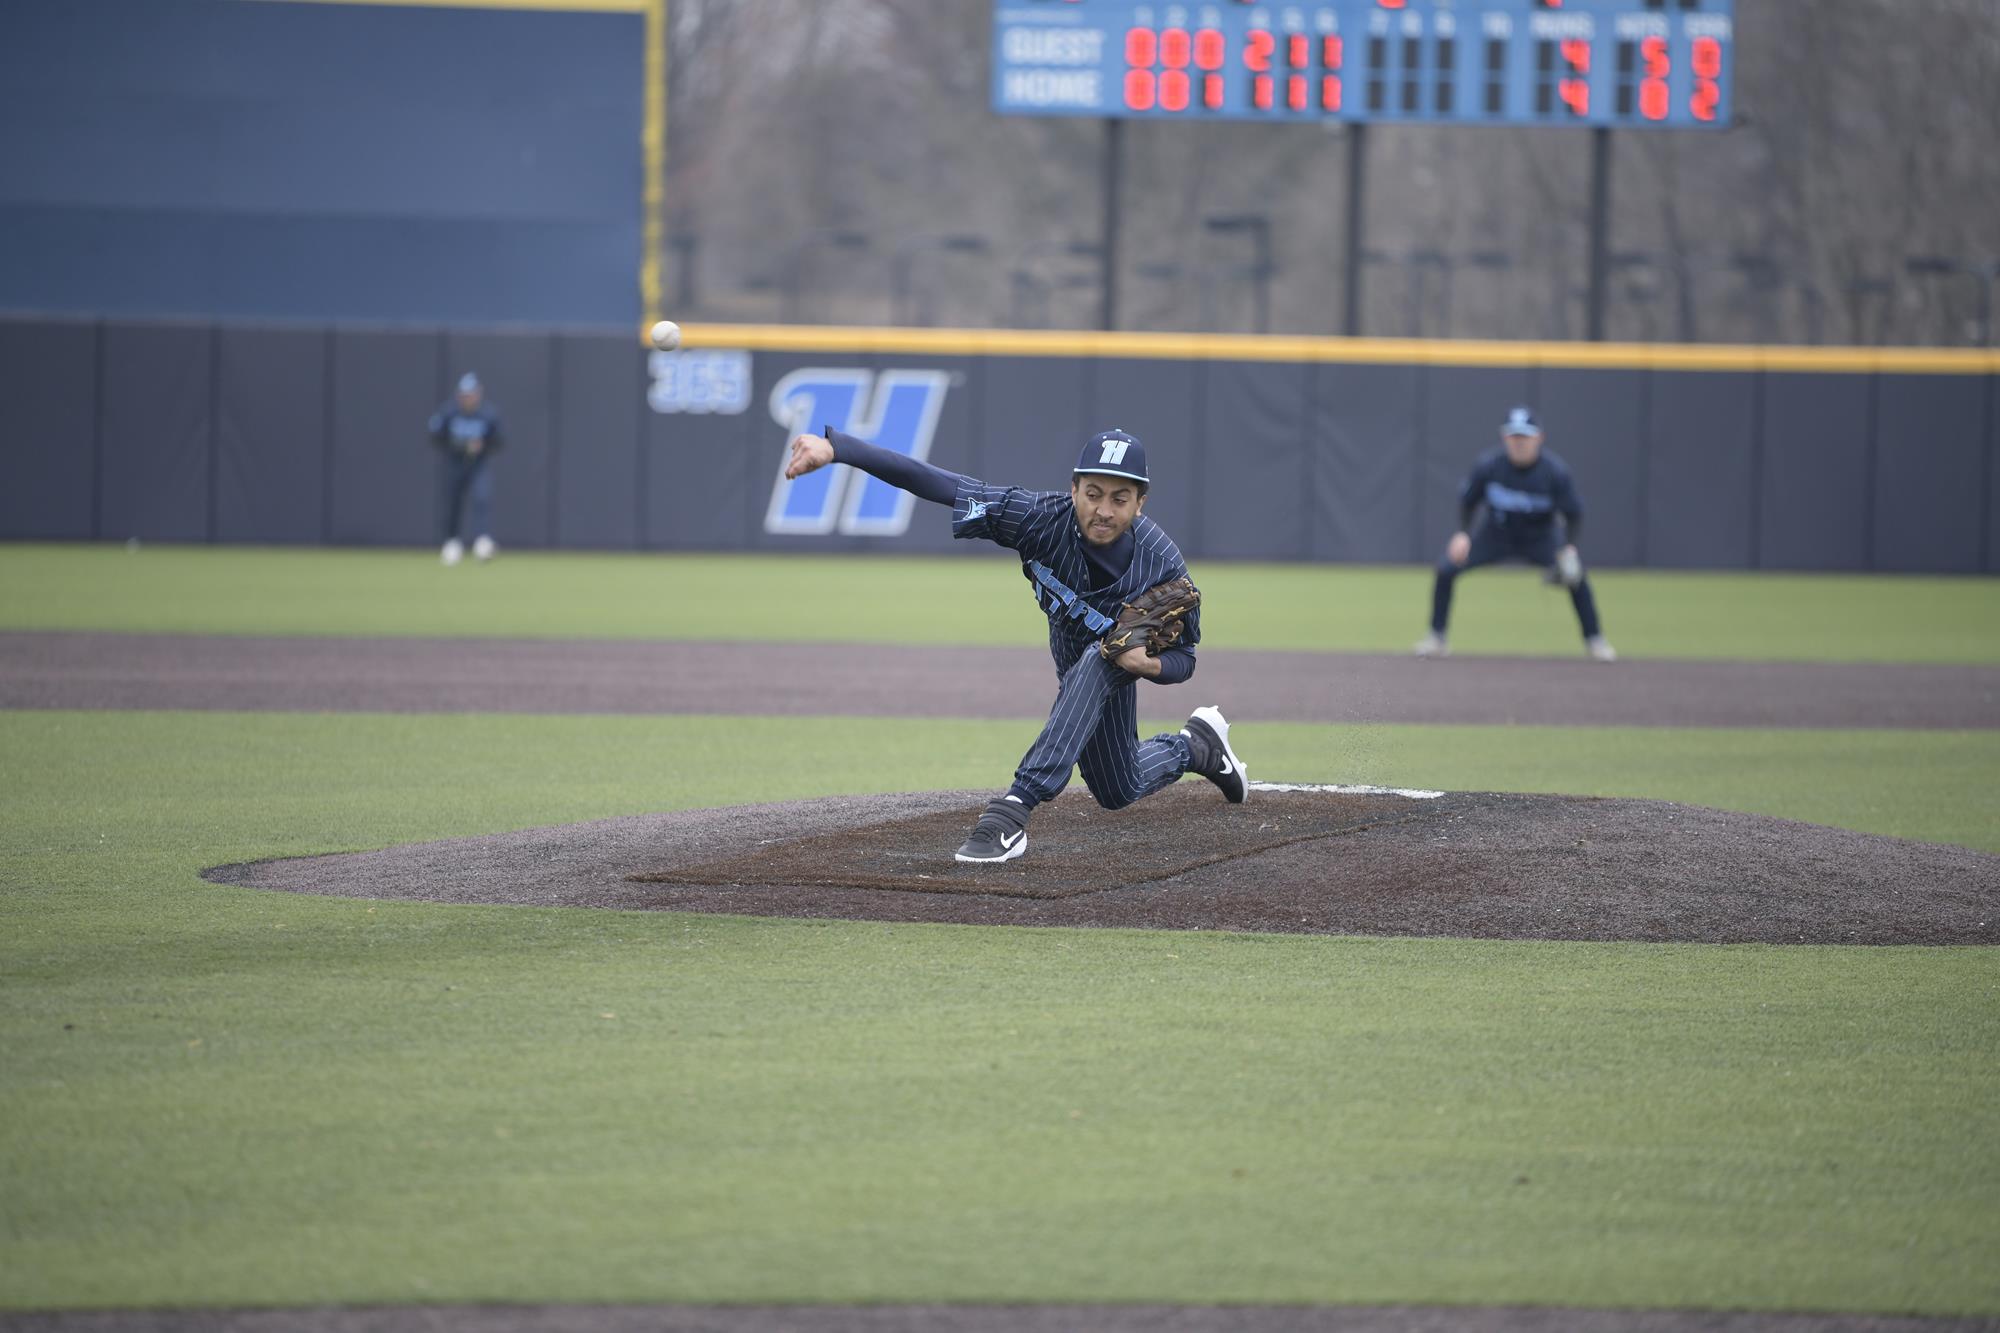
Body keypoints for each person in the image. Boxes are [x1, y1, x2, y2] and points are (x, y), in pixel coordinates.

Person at [783, 425, 1249, 864]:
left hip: (1111, 662)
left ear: (1140, 504)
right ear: (1073, 490)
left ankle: (1013, 809)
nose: (1103, 510)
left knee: (1102, 655)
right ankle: (1196, 746)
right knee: (1116, 788)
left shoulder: (1163, 565)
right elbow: (937, 483)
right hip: (1070, 655)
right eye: (1093, 494)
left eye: (1119, 498)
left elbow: (1185, 659)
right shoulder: (1036, 519)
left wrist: (1148, 666)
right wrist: (840, 449)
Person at [1416, 406, 1616, 662]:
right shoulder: (1489, 466)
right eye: (1514, 437)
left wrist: (1569, 546)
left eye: (1525, 437)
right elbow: (1468, 501)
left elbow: (1574, 514)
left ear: (1539, 438)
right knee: (1446, 569)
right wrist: (1463, 533)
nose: (1519, 443)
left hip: (1540, 537)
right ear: (1504, 438)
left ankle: (1595, 640)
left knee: (1576, 577)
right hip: (1495, 534)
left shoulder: (1555, 472)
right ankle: (1436, 638)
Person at [428, 372, 503, 565]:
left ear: (478, 393)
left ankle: (482, 541)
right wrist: (459, 445)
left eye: (471, 394)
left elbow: (499, 440)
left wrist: (482, 445)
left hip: (478, 465)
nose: (468, 398)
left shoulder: (487, 414)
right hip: (455, 464)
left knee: (482, 499)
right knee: (453, 503)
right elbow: (435, 435)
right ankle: (452, 543)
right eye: (464, 394)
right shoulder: (449, 412)